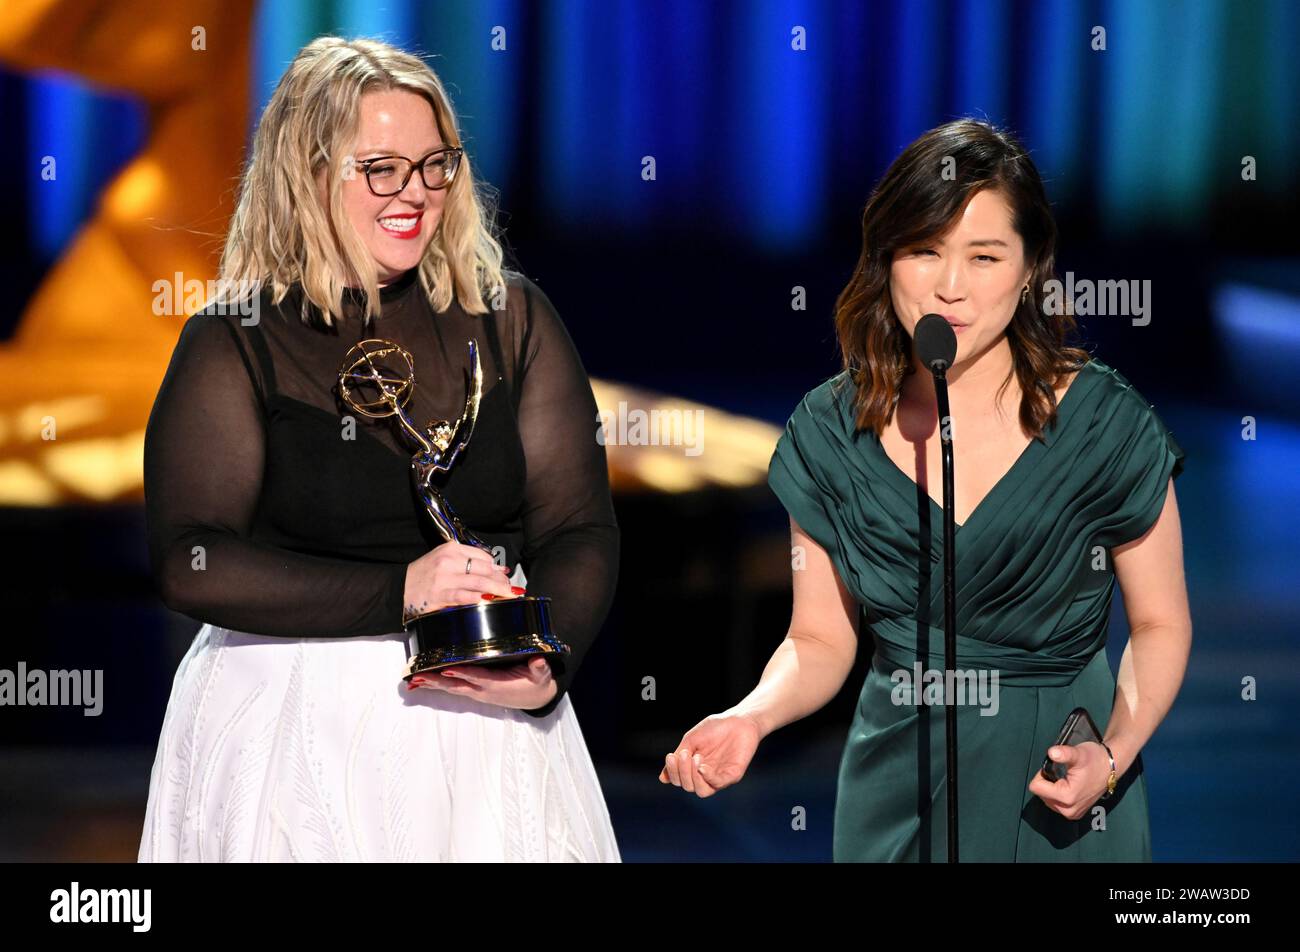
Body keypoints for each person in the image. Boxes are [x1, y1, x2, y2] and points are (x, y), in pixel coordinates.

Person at [138, 36, 620, 862]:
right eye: (382, 169)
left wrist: (547, 667)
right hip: (289, 731)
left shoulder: (511, 318)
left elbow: (579, 527)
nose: (416, 194)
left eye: (435, 165)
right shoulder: (236, 340)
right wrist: (401, 590)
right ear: (309, 173)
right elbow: (190, 561)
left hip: (484, 726)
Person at [660, 119, 1192, 862]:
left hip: (1062, 798)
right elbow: (818, 639)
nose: (950, 287)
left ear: (1033, 265)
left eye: (984, 256)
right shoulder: (829, 431)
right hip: (896, 790)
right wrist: (751, 717)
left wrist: (1113, 751)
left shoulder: (1105, 424)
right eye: (924, 252)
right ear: (886, 261)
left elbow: (1162, 623)